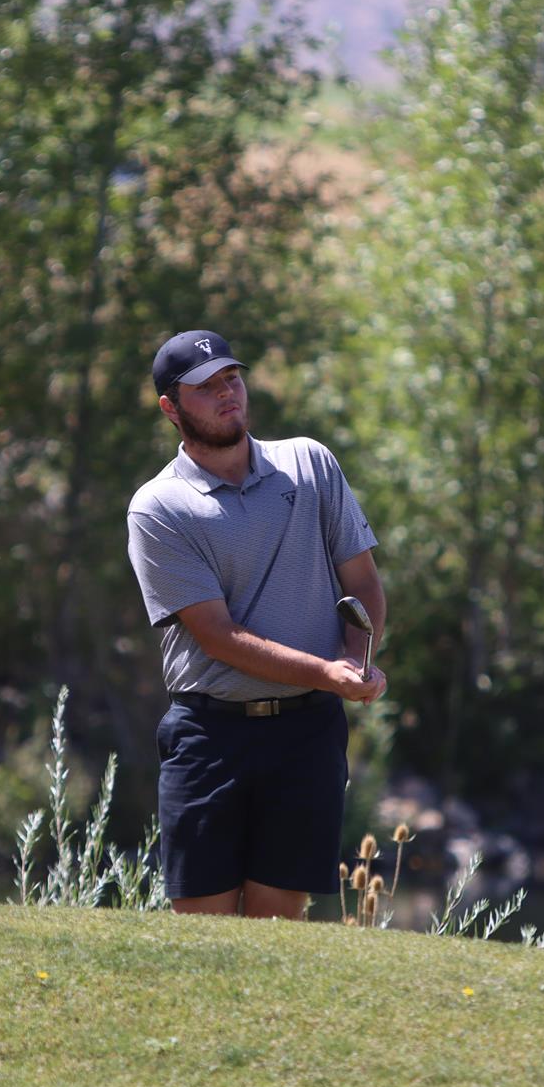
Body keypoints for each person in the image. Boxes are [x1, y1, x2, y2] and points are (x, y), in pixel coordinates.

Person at [126, 328, 387, 919]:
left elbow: (364, 584)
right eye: (205, 388)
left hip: (307, 733)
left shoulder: (310, 463)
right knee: (204, 931)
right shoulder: (159, 507)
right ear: (171, 407)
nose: (227, 395)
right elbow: (218, 637)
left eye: (232, 379)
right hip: (210, 734)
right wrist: (329, 671)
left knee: (276, 929)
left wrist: (357, 659)